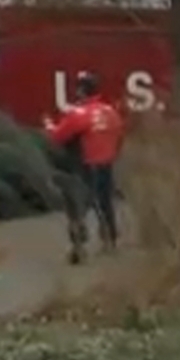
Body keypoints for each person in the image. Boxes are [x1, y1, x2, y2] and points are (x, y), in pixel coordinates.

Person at [45, 71, 125, 263]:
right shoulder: (110, 112)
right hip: (107, 163)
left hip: (84, 166)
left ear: (81, 91)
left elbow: (58, 136)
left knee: (79, 205)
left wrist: (48, 126)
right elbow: (119, 136)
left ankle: (79, 247)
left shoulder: (79, 114)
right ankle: (110, 240)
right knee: (104, 202)